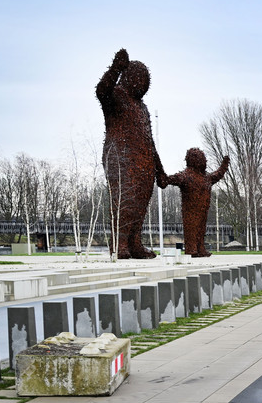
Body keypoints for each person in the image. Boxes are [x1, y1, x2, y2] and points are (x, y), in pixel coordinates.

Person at [96, 49, 165, 258]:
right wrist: (116, 68)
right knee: (124, 200)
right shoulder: (116, 96)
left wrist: (159, 169)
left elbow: (149, 140)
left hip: (145, 163)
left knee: (140, 205)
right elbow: (102, 91)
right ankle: (120, 243)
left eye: (146, 80)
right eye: (140, 78)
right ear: (128, 77)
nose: (143, 84)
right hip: (121, 158)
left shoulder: (142, 108)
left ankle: (134, 243)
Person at [160, 148, 229, 257]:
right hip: (190, 211)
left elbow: (218, 174)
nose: (203, 161)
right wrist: (164, 178)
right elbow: (170, 179)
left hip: (203, 211)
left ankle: (200, 248)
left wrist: (224, 164)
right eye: (200, 158)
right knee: (191, 229)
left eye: (203, 158)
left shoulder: (206, 178)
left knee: (201, 229)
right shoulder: (186, 176)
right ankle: (191, 249)